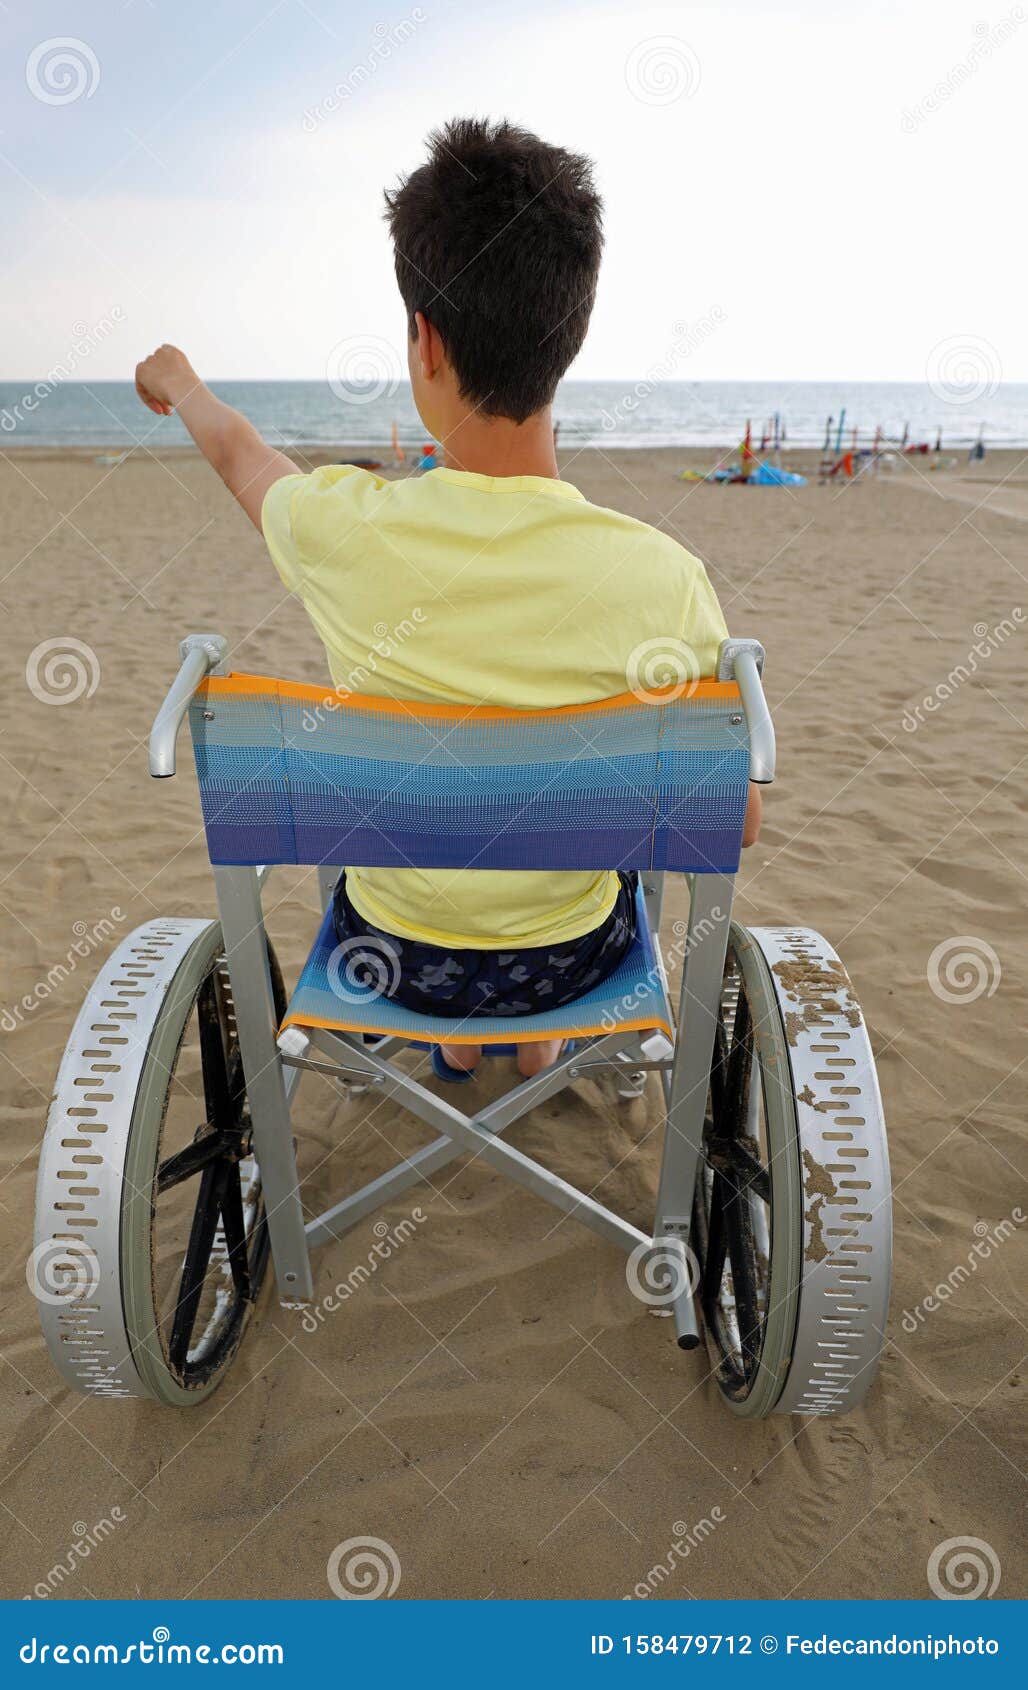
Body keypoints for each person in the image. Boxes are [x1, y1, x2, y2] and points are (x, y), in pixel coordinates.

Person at [134, 117, 761, 1083]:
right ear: (571, 335)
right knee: (594, 863)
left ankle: (452, 1044)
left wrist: (180, 382)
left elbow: (242, 456)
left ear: (423, 341)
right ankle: (532, 1040)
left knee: (419, 867)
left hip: (399, 960)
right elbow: (732, 822)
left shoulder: (342, 528)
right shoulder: (659, 575)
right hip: (565, 960)